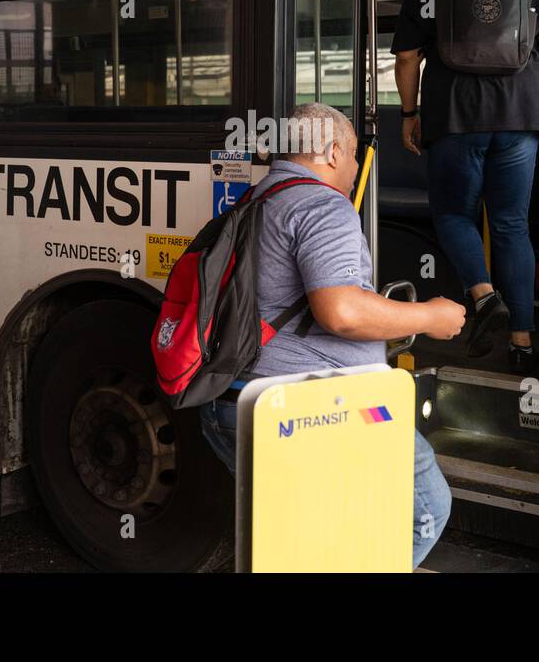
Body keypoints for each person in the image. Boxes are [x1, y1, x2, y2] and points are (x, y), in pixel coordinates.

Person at [199, 102, 467, 569]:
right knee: (423, 507)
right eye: (354, 155)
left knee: (302, 542)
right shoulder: (323, 205)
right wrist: (428, 316)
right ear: (330, 151)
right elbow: (340, 311)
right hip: (310, 415)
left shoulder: (254, 198)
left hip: (230, 405)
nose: (356, 168)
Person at [392, 0, 539, 370]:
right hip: (521, 114)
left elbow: (408, 57)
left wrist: (409, 113)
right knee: (511, 224)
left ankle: (483, 296)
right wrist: (524, 69)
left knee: (455, 213)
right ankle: (522, 343)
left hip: (454, 111)